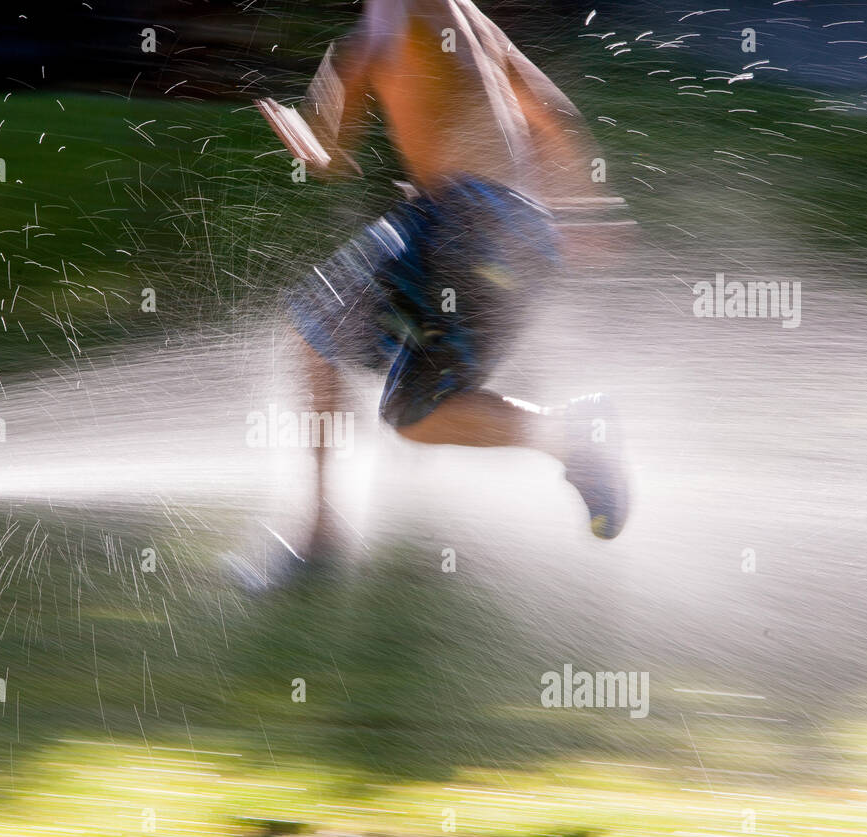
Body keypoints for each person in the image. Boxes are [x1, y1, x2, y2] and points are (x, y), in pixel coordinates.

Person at [248, 0, 630, 586]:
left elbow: (334, 154)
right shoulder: (470, 19)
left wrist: (312, 144)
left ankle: (321, 538)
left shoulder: (380, 23)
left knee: (314, 325)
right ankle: (570, 434)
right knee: (417, 413)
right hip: (521, 234)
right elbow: (549, 112)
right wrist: (583, 206)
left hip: (463, 219)